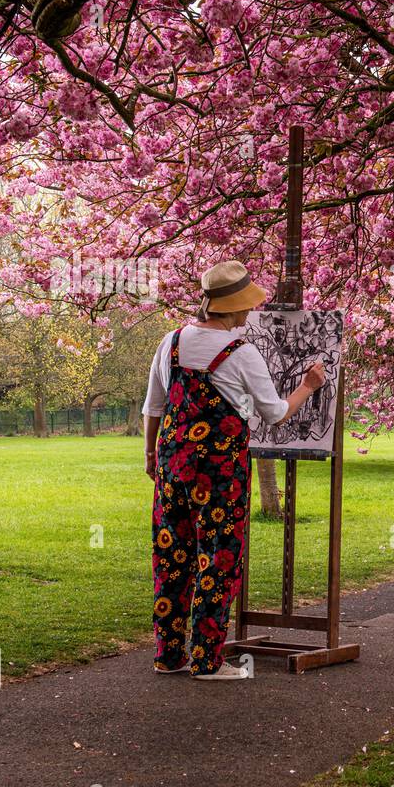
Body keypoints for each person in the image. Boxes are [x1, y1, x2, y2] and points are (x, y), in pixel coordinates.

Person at [142, 261, 326, 680]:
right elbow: (276, 414)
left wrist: (151, 456)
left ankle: (169, 657)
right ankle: (207, 661)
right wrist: (308, 387)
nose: (249, 314)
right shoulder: (241, 353)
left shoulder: (169, 342)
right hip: (219, 473)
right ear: (231, 309)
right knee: (217, 559)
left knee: (172, 556)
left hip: (172, 467)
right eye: (245, 307)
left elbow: (154, 406)